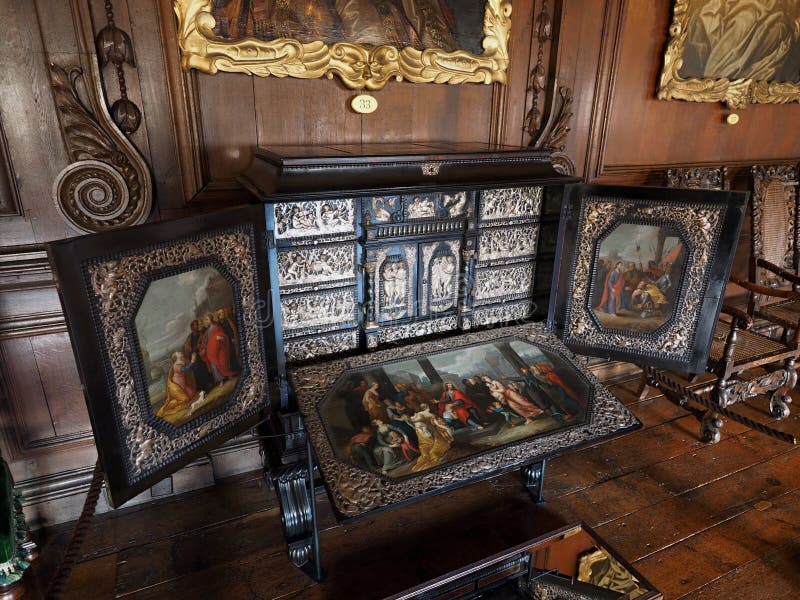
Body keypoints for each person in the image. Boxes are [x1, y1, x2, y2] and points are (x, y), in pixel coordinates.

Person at [157, 351, 199, 419]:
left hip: (183, 384)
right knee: (185, 399)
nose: (180, 352)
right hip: (178, 386)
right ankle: (170, 406)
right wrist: (192, 361)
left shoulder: (181, 362)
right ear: (176, 357)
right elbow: (185, 369)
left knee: (192, 394)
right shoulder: (176, 365)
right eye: (178, 353)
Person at [198, 313, 236, 386]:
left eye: (207, 319)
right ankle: (220, 380)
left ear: (211, 319)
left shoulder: (217, 328)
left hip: (219, 350)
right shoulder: (207, 332)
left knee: (222, 362)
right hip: (211, 352)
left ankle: (228, 375)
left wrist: (220, 338)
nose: (206, 321)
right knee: (213, 366)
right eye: (205, 320)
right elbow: (205, 342)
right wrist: (203, 349)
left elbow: (224, 336)